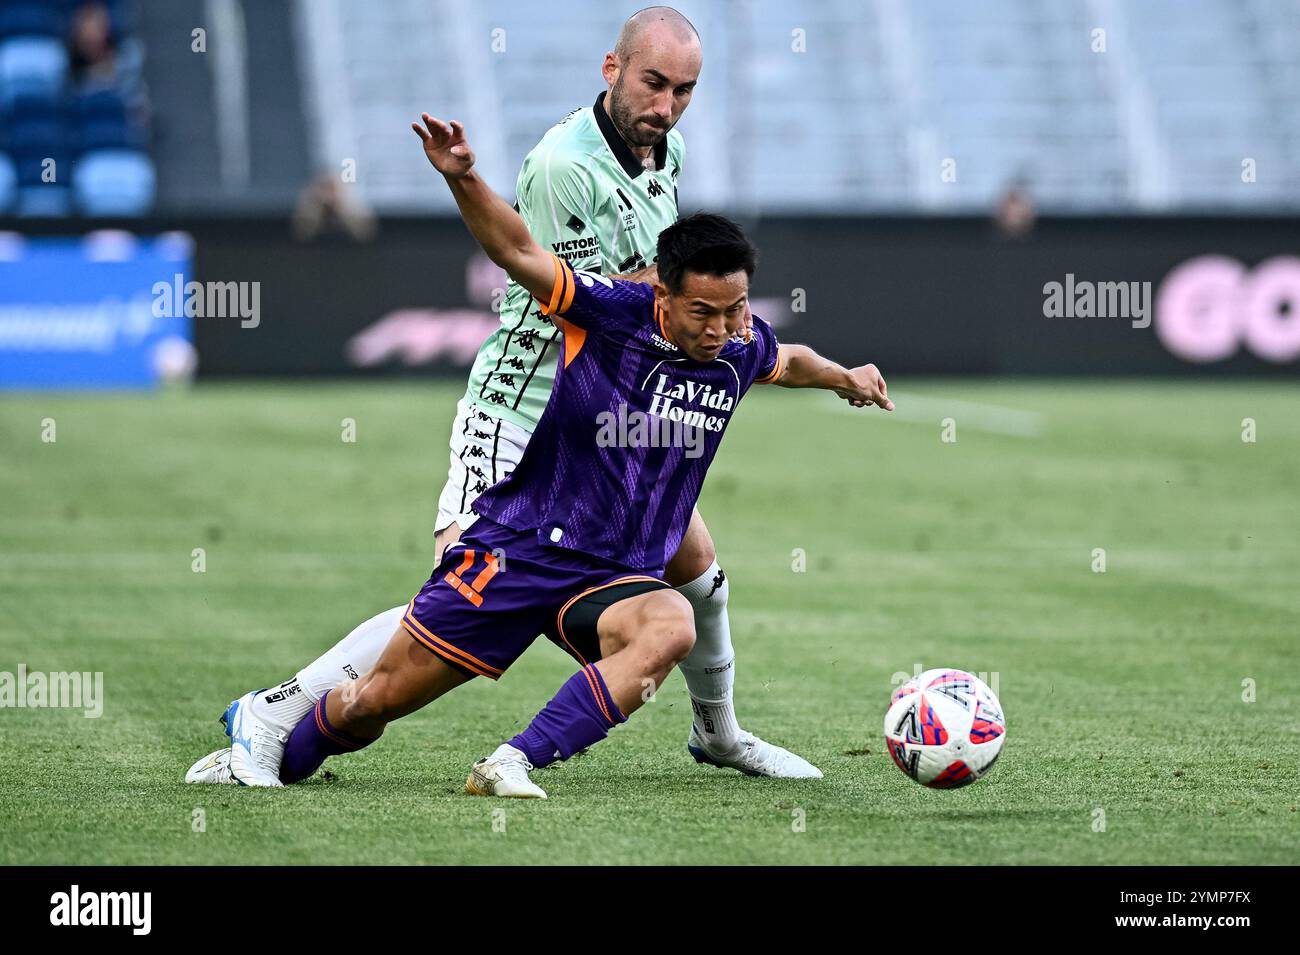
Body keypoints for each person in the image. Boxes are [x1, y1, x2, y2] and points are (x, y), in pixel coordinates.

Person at [188, 6, 827, 787]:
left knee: (693, 557)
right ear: (611, 69)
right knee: (460, 588)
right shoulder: (566, 166)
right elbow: (598, 295)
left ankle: (719, 731)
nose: (665, 106)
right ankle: (277, 707)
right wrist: (706, 307)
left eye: (684, 91)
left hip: (612, 416)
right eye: (654, 83)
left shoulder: (668, 149)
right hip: (524, 412)